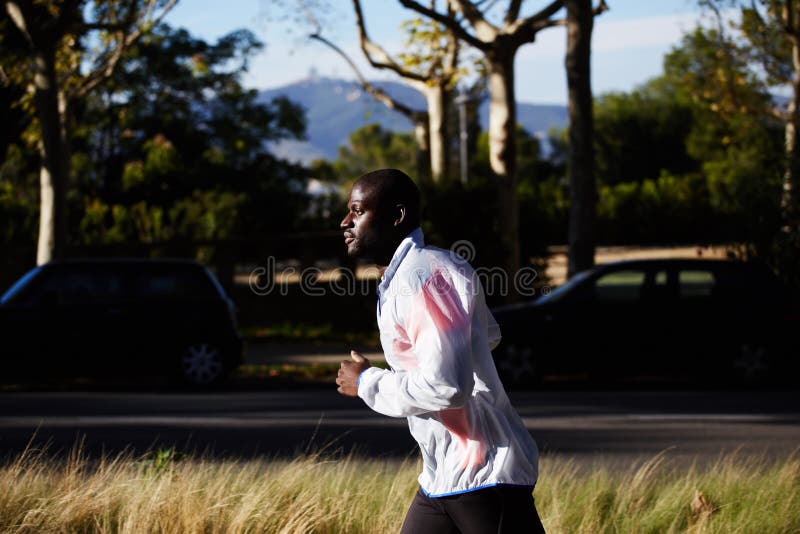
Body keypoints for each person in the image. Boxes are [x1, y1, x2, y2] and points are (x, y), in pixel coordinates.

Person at [336, 169, 546, 533]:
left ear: (396, 216)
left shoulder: (424, 275)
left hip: (484, 474)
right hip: (444, 475)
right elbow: (486, 336)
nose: (345, 222)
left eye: (357, 210)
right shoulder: (412, 275)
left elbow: (448, 385)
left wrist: (369, 382)